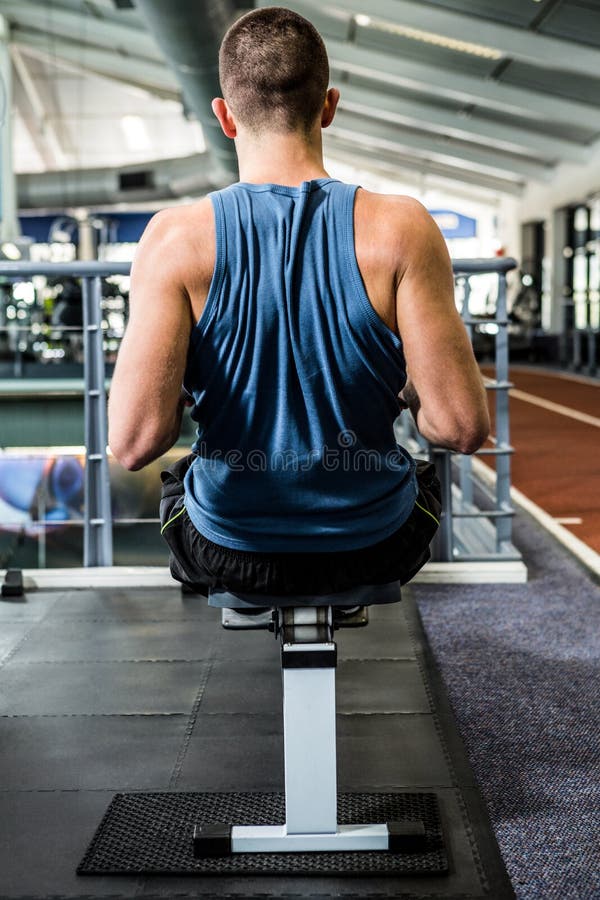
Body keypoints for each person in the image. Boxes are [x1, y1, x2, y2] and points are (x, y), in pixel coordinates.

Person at [108, 7, 489, 598]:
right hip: (375, 544)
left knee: (181, 478)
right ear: (329, 107)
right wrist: (411, 387)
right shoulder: (403, 229)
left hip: (229, 549)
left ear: (225, 117)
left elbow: (134, 443)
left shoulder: (172, 239)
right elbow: (459, 428)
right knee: (417, 478)